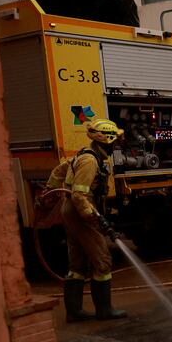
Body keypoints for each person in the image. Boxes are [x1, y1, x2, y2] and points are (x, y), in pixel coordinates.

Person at [46, 118, 128, 322]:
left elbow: (59, 171)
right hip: (80, 212)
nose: (116, 144)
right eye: (115, 140)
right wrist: (96, 219)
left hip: (73, 212)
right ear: (107, 140)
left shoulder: (85, 155)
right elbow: (79, 196)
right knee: (102, 261)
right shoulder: (90, 162)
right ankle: (104, 310)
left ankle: (74, 312)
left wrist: (49, 191)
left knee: (78, 264)